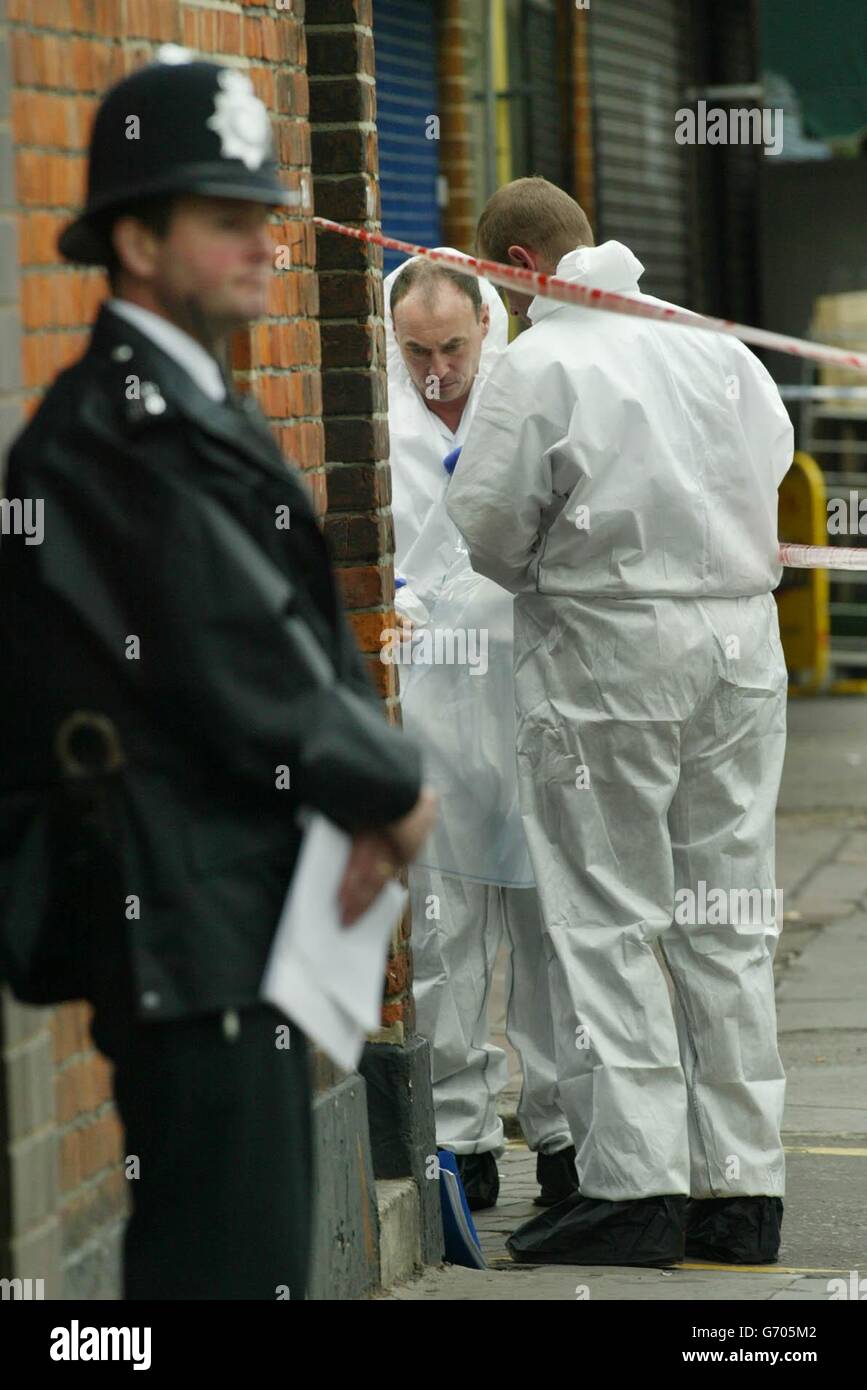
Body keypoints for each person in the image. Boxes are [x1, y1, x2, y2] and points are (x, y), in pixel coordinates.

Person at [0, 50, 435, 1300]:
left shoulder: (187, 405)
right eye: (225, 218)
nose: (263, 243)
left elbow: (291, 632)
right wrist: (391, 784)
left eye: (265, 214)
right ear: (138, 242)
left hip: (235, 918)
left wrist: (361, 780)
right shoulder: (113, 434)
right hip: (189, 931)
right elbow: (237, 656)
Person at [447, 176, 793, 1266]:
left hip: (609, 654)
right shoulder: (706, 340)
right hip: (740, 647)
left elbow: (487, 527)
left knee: (610, 915)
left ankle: (636, 1188)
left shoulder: (541, 363)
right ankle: (741, 1190)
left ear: (517, 264)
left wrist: (568, 571)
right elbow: (775, 460)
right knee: (725, 914)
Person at [385, 254, 576, 1210]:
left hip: (529, 695)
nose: (436, 371)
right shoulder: (380, 431)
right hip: (430, 712)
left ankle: (561, 1134)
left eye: (451, 347)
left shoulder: (526, 403)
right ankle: (460, 1139)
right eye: (416, 351)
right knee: (445, 929)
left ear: (486, 327)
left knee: (549, 927)